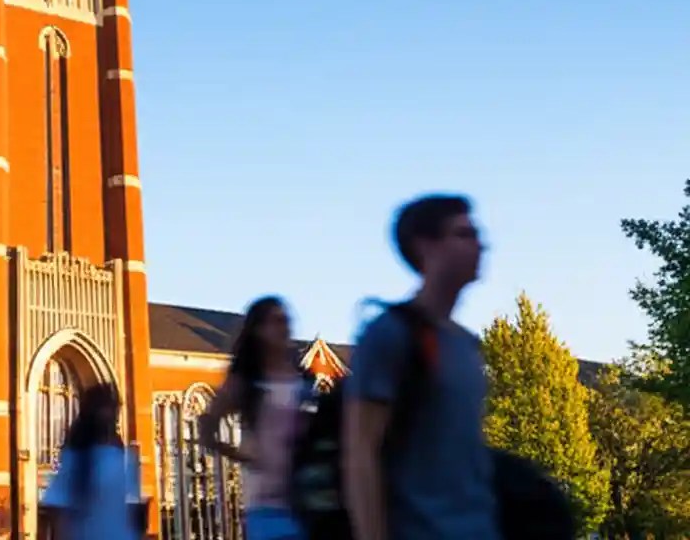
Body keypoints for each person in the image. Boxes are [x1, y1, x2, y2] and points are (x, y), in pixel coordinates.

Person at [341, 194, 499, 540]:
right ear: (425, 247)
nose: (480, 245)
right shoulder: (390, 335)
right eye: (463, 234)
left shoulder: (467, 346)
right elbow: (360, 454)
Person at [199, 296, 307, 540]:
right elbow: (206, 427)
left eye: (286, 320)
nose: (285, 327)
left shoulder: (301, 375)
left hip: (304, 501)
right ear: (259, 330)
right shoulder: (245, 381)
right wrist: (243, 455)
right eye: (276, 321)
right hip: (266, 505)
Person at [41, 382, 143, 540]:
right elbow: (57, 510)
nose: (115, 415)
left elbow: (130, 505)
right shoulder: (79, 456)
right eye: (111, 409)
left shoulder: (119, 452)